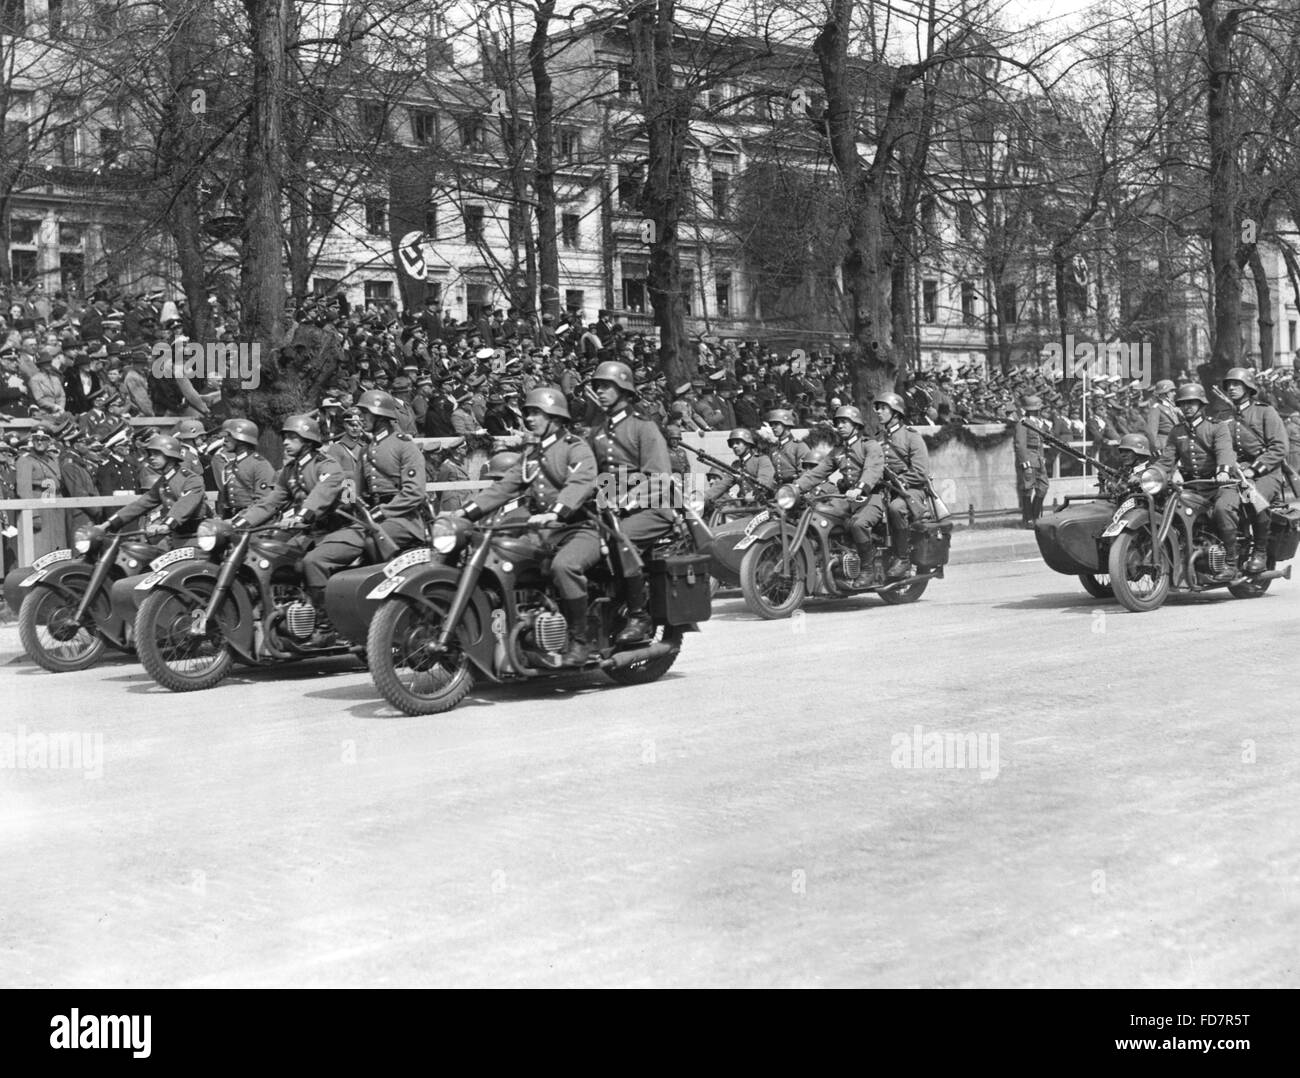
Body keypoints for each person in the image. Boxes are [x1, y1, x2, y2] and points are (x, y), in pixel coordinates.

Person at [459, 387, 600, 666]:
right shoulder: (532, 455)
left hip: (579, 527)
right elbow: (502, 488)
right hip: (544, 531)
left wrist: (557, 511)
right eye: (528, 413)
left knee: (565, 566)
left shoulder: (576, 447)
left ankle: (581, 640)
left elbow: (581, 483)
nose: (530, 418)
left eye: (537, 413)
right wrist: (464, 514)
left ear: (556, 418)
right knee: (500, 559)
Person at [300, 391, 429, 627]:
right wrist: (336, 509)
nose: (361, 417)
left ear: (380, 415)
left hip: (401, 520)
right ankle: (327, 621)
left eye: (366, 413)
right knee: (316, 558)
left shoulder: (403, 445)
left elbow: (414, 493)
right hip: (367, 519)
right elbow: (354, 489)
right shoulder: (368, 449)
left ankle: (388, 615)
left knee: (372, 544)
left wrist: (384, 512)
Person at [235, 416, 347, 643]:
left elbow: (322, 493)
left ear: (307, 441)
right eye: (285, 437)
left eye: (292, 438)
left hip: (335, 531)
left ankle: (326, 627)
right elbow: (270, 502)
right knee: (272, 555)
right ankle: (282, 613)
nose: (285, 442)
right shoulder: (290, 470)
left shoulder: (326, 465)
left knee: (312, 562)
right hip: (308, 533)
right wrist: (239, 524)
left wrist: (301, 515)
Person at [587, 360, 675, 644]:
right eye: (597, 386)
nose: (600, 391)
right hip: (610, 507)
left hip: (653, 506)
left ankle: (639, 615)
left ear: (624, 390)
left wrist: (625, 499)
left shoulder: (643, 427)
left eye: (606, 386)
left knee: (621, 539)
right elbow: (591, 472)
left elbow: (660, 477)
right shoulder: (598, 430)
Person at [1157, 383, 1240, 580]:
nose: (1187, 407)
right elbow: (1166, 460)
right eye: (1183, 403)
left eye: (1192, 403)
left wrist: (1223, 471)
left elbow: (1224, 451)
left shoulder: (1216, 426)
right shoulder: (1176, 432)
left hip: (1220, 485)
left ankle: (1231, 563)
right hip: (1193, 487)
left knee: (1222, 509)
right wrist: (1152, 473)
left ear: (1201, 404)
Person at [794, 405, 886, 582]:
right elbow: (816, 473)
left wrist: (860, 487)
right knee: (820, 516)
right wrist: (795, 488)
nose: (840, 426)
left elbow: (872, 469)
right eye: (838, 423)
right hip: (847, 499)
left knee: (859, 524)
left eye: (845, 422)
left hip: (871, 497)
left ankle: (867, 569)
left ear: (856, 425)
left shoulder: (869, 445)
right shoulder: (837, 451)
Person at [1220, 367, 1290, 574]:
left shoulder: (1265, 411)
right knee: (1220, 505)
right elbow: (1221, 446)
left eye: (1237, 384)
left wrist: (1253, 470)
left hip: (1267, 473)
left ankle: (1260, 552)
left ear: (1248, 387)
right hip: (1236, 474)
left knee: (1254, 498)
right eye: (1229, 385)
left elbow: (1279, 447)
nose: (1231, 388)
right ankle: (1227, 557)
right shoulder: (1224, 416)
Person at [96, 434, 209, 545]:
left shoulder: (191, 479)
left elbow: (185, 504)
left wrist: (167, 524)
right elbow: (141, 504)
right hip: (175, 535)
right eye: (150, 454)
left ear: (170, 456)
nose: (151, 457)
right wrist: (107, 524)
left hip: (199, 537)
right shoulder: (164, 481)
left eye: (157, 454)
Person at [866, 391, 933, 578]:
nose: (878, 411)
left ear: (896, 413)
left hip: (910, 490)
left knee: (896, 508)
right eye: (877, 408)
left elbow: (920, 472)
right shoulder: (877, 439)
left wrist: (899, 480)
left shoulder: (911, 437)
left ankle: (902, 558)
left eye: (883, 408)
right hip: (884, 489)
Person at [16, 424, 66, 556]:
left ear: (49, 442)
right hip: (40, 509)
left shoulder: (52, 460)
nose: (39, 442)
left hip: (55, 509)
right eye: (36, 439)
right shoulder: (25, 460)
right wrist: (34, 515)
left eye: (43, 439)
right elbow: (24, 490)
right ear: (32, 441)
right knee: (40, 551)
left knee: (58, 549)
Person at [212, 419, 275, 517]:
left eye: (230, 436)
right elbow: (224, 497)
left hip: (252, 519)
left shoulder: (260, 464)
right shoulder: (230, 464)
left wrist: (242, 519)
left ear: (242, 439)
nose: (225, 440)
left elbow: (264, 500)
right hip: (230, 517)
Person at [703, 428, 774, 510]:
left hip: (764, 506)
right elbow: (722, 484)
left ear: (747, 444)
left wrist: (755, 493)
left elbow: (765, 480)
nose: (734, 446)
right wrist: (703, 497)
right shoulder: (736, 466)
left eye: (738, 443)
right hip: (745, 507)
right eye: (732, 444)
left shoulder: (761, 459)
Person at [1014, 394, 1051, 528]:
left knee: (1043, 487)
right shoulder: (1023, 423)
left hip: (1039, 459)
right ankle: (1028, 519)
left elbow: (1039, 443)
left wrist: (1042, 458)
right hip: (1029, 460)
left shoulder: (1037, 423)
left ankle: (1036, 516)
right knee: (1027, 489)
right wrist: (1026, 465)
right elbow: (1020, 445)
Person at [761, 408, 809, 482]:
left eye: (776, 424)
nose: (773, 428)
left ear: (786, 425)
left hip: (794, 488)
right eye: (771, 425)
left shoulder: (799, 446)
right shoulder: (773, 448)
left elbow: (805, 473)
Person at [1143, 379, 1179, 453]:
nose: (1174, 393)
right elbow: (1151, 432)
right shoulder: (1156, 408)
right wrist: (1156, 448)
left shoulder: (1170, 407)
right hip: (1163, 445)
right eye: (1171, 391)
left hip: (1173, 444)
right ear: (1164, 393)